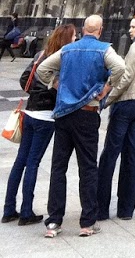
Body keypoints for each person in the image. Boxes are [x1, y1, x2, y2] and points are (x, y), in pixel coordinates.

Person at [37, 14, 125, 238]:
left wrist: (57, 84)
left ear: (84, 29)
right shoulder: (104, 49)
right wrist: (105, 89)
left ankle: (54, 222)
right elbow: (120, 68)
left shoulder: (68, 49)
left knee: (59, 167)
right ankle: (87, 222)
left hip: (64, 114)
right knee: (87, 167)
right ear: (100, 29)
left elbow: (42, 68)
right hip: (87, 114)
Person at [2, 23, 75, 226]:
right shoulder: (61, 61)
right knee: (32, 163)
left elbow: (24, 79)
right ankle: (26, 212)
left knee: (20, 161)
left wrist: (35, 93)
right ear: (66, 40)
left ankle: (9, 209)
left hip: (30, 113)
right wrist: (50, 93)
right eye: (74, 36)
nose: (75, 40)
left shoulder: (40, 55)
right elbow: (61, 87)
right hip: (45, 117)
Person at [96, 13, 135, 221]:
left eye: (133, 27)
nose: (130, 30)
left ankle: (101, 208)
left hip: (125, 105)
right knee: (132, 156)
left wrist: (108, 99)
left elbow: (125, 77)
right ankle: (126, 209)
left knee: (109, 155)